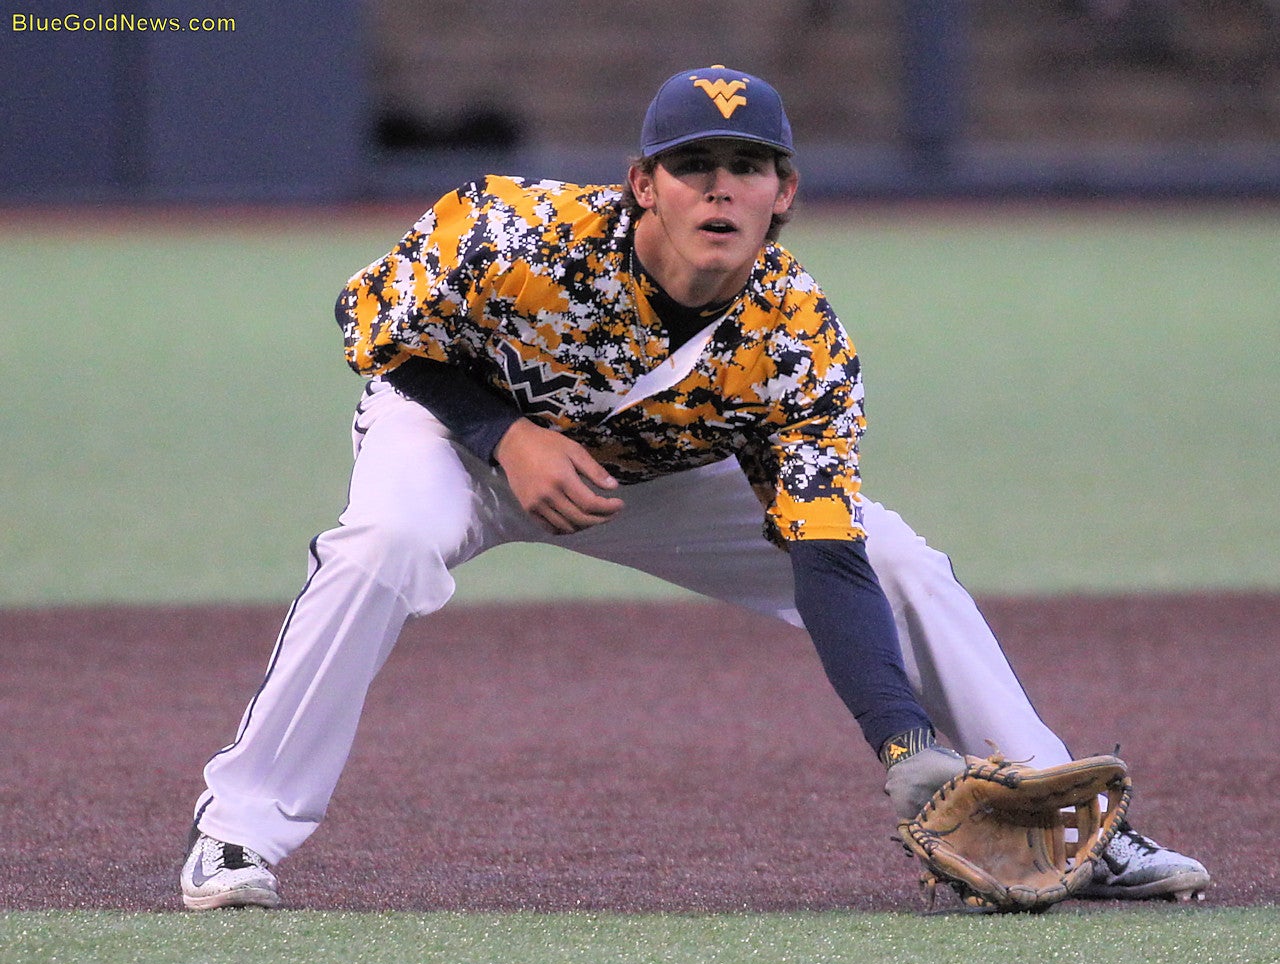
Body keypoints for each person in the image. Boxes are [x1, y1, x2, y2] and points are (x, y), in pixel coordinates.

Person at [181, 66, 1208, 910]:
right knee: (384, 546)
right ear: (643, 184)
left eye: (747, 167)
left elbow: (822, 543)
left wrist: (898, 740)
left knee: (895, 555)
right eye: (694, 166)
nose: (720, 187)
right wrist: (507, 435)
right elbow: (366, 319)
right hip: (453, 436)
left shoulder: (798, 336)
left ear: (784, 192)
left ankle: (1064, 824)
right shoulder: (510, 231)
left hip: (658, 476)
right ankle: (235, 834)